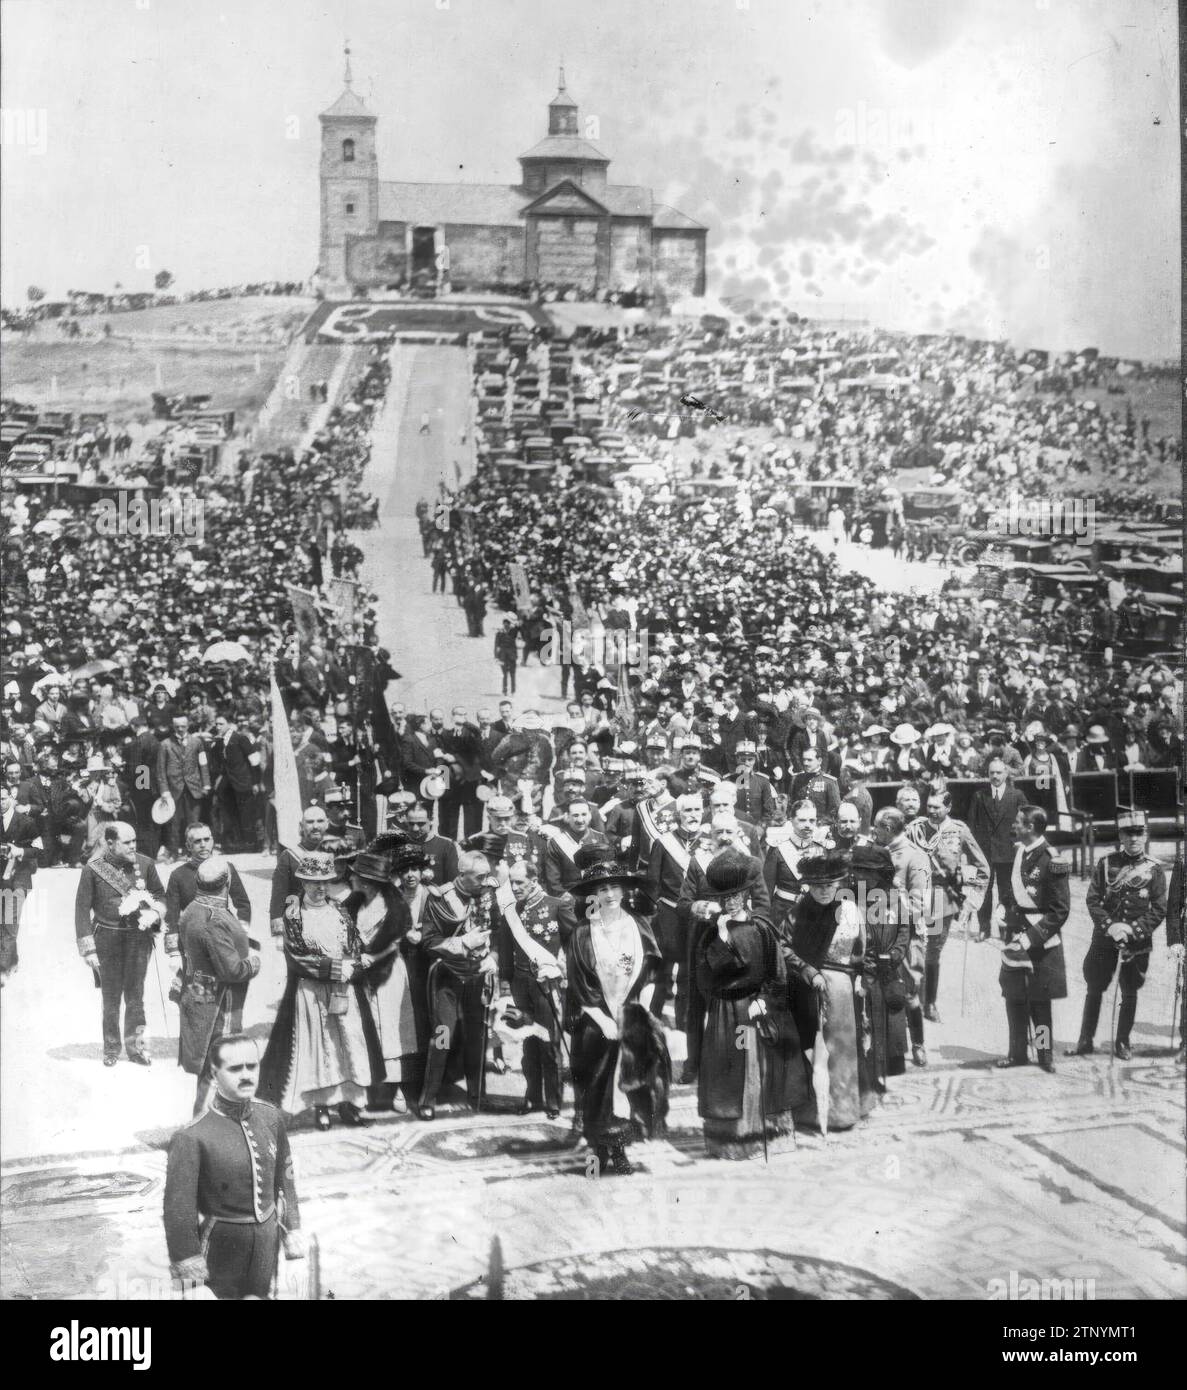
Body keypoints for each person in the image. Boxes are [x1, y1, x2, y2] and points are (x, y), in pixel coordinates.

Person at [164, 1034, 305, 1300]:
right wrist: (193, 1280)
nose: (246, 1075)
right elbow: (178, 1213)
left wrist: (293, 1235)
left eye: (252, 1066)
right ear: (215, 1075)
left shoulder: (271, 1118)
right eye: (235, 1068)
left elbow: (285, 1182)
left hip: (266, 1243)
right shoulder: (192, 1137)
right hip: (221, 1248)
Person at [691, 850, 804, 1159]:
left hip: (758, 1011)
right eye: (724, 897)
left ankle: (767, 1136)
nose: (731, 902)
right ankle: (733, 1142)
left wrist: (765, 1000)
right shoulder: (710, 933)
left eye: (737, 895)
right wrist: (723, 936)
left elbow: (778, 973)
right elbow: (705, 977)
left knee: (761, 1074)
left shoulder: (763, 928)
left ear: (746, 893)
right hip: (726, 1014)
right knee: (730, 1076)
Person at [259, 851, 378, 1130]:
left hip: (343, 990)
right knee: (320, 1047)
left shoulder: (339, 909)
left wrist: (359, 959)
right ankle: (322, 1106)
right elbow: (296, 958)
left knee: (349, 1045)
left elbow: (353, 941)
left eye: (325, 881)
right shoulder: (294, 914)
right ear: (302, 881)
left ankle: (352, 1104)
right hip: (312, 991)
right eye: (314, 882)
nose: (320, 887)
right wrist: (334, 968)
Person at [566, 858, 663, 1175]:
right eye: (602, 888)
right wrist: (604, 1020)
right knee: (597, 1089)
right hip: (597, 1023)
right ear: (593, 894)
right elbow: (580, 984)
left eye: (614, 887)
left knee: (628, 1088)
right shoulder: (584, 933)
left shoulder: (639, 926)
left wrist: (641, 1011)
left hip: (631, 1016)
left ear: (624, 890)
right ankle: (597, 1153)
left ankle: (620, 1149)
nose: (609, 894)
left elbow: (650, 973)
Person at [1066, 809, 1168, 1061]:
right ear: (1120, 836)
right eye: (1128, 833)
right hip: (1104, 938)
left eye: (1138, 833)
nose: (1134, 839)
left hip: (1137, 941)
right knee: (1094, 988)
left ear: (1145, 836)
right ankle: (1085, 1040)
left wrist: (1133, 930)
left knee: (1129, 991)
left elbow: (1159, 908)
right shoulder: (1106, 864)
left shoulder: (1155, 870)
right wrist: (1111, 926)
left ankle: (1123, 1041)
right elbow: (1093, 900)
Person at [783, 852, 874, 1133]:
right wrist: (808, 971)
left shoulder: (851, 912)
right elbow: (784, 948)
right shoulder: (796, 913)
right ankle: (808, 1110)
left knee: (841, 1049)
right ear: (808, 886)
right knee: (809, 1048)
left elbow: (867, 951)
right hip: (805, 987)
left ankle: (842, 1110)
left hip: (843, 992)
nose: (824, 891)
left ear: (839, 884)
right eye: (817, 885)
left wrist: (863, 981)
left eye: (830, 885)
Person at [74, 820, 167, 1066]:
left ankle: (136, 1049)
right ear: (110, 843)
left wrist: (155, 912)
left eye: (134, 841)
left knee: (136, 995)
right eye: (127, 842)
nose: (132, 846)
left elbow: (160, 894)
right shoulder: (92, 869)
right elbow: (81, 911)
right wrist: (88, 950)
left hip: (138, 939)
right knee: (111, 997)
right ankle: (112, 1049)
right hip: (107, 940)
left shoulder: (145, 864)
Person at [417, 849, 500, 1119]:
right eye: (480, 877)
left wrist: (494, 957)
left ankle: (478, 1096)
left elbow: (498, 932)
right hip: (447, 977)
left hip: (477, 977)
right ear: (462, 875)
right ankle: (428, 1098)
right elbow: (428, 943)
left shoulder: (487, 895)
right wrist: (462, 943)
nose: (486, 881)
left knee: (477, 1037)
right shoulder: (439, 898)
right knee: (443, 1035)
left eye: (488, 875)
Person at [176, 857, 262, 1114]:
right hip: (219, 1003)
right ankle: (204, 1126)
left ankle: (206, 1122)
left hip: (199, 993)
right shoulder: (216, 918)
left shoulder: (193, 908)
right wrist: (254, 963)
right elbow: (232, 970)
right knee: (218, 1067)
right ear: (227, 882)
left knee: (207, 1065)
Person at [996, 805, 1069, 1074]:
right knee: (1014, 997)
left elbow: (1060, 911)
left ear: (1030, 827)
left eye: (1017, 822)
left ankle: (1044, 1054)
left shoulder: (1052, 859)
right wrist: (1002, 907)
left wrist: (1030, 938)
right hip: (1015, 935)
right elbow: (1010, 892)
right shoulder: (1019, 852)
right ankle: (1017, 1054)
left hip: (1041, 940)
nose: (1014, 826)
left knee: (1039, 999)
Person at [494, 859, 567, 1118]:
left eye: (520, 882)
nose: (514, 887)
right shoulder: (510, 911)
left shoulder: (557, 906)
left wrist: (561, 973)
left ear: (534, 881)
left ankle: (554, 1100)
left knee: (549, 1044)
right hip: (520, 985)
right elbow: (504, 952)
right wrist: (504, 988)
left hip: (548, 986)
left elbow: (572, 946)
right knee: (528, 1044)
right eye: (511, 882)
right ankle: (532, 1096)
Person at [914, 789, 989, 1021]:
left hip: (942, 897)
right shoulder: (916, 829)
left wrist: (971, 900)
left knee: (932, 952)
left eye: (937, 807)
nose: (932, 812)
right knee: (916, 949)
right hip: (916, 895)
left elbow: (982, 868)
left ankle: (929, 1003)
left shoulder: (959, 830)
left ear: (949, 807)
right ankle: (914, 1002)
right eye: (929, 807)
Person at [852, 844, 909, 1086]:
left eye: (871, 872)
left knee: (890, 1017)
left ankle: (889, 1066)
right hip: (863, 967)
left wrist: (896, 953)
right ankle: (868, 1070)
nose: (865, 877)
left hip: (888, 966)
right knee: (867, 1018)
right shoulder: (851, 898)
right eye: (861, 872)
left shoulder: (894, 899)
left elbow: (904, 929)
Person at [968, 758, 1028, 941]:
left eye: (999, 772)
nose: (995, 776)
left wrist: (1020, 843)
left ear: (1006, 773)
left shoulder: (1016, 795)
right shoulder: (979, 796)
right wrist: (973, 852)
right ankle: (984, 928)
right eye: (991, 773)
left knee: (1007, 890)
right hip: (984, 852)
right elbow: (972, 824)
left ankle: (1007, 929)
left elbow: (1026, 822)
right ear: (987, 775)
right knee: (984, 891)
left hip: (1008, 851)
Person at [0, 781, 41, 983]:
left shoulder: (26, 822)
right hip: (1, 879)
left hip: (19, 879)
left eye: (3, 798)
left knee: (9, 922)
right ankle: (12, 960)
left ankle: (2, 969)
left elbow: (40, 849)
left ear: (11, 798)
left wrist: (21, 852)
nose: (0, 803)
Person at [269, 806, 330, 937]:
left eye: (320, 821)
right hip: (300, 925)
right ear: (301, 826)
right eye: (310, 822)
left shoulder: (336, 853)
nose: (315, 826)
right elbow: (279, 893)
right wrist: (277, 926)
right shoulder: (289, 856)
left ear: (327, 824)